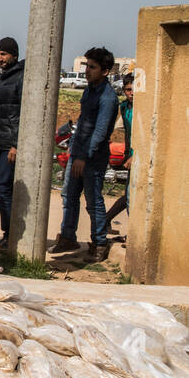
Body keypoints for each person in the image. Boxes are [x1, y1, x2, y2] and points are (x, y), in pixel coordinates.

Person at [50, 46, 118, 262]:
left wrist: (83, 156)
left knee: (93, 201)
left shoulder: (107, 98)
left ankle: (99, 244)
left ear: (105, 71)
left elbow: (100, 131)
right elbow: (84, 122)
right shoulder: (89, 90)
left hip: (92, 158)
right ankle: (68, 237)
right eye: (87, 65)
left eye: (92, 67)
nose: (87, 70)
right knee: (68, 196)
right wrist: (73, 146)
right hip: (78, 153)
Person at [0, 37, 24, 251]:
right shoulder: (2, 79)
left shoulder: (20, 77)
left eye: (4, 54)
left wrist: (16, 144)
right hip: (0, 142)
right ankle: (9, 235)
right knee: (3, 188)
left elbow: (22, 114)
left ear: (14, 55)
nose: (0, 59)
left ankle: (13, 236)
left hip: (11, 144)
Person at [106, 73, 135, 235]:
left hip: (139, 156)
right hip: (130, 154)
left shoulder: (143, 108)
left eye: (134, 89)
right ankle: (106, 220)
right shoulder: (124, 108)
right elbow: (126, 132)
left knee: (131, 195)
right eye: (128, 90)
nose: (131, 93)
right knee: (130, 194)